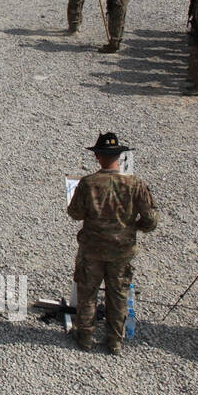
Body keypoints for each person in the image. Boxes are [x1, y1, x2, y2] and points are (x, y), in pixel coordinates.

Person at [65, 132, 158, 354]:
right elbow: (151, 220)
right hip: (121, 251)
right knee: (118, 294)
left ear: (97, 156)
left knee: (88, 293)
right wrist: (134, 228)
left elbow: (75, 213)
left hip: (92, 248)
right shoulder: (135, 184)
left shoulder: (88, 183)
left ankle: (85, 336)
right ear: (121, 156)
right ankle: (115, 341)